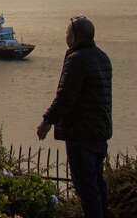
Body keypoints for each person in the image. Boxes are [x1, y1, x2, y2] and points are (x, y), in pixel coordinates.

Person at [37, 16, 112, 218]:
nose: (65, 36)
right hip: (99, 132)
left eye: (68, 33)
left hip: (81, 133)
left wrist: (47, 121)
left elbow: (65, 96)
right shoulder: (102, 57)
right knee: (97, 184)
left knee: (86, 188)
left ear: (76, 36)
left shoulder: (76, 59)